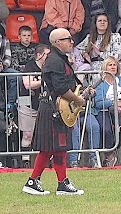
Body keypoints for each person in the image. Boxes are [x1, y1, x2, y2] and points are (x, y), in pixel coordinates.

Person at [21, 28, 85, 196]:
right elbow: (61, 88)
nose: (72, 42)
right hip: (52, 109)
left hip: (54, 108)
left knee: (56, 147)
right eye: (68, 39)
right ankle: (39, 181)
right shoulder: (55, 61)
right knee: (51, 147)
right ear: (57, 42)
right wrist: (78, 100)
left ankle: (49, 182)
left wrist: (83, 92)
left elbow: (68, 84)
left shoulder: (59, 60)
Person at [91, 56, 121, 167]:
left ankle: (112, 151)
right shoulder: (100, 82)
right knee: (106, 130)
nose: (113, 67)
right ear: (105, 67)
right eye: (110, 65)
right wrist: (113, 103)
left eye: (114, 65)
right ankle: (109, 156)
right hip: (103, 111)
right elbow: (98, 102)